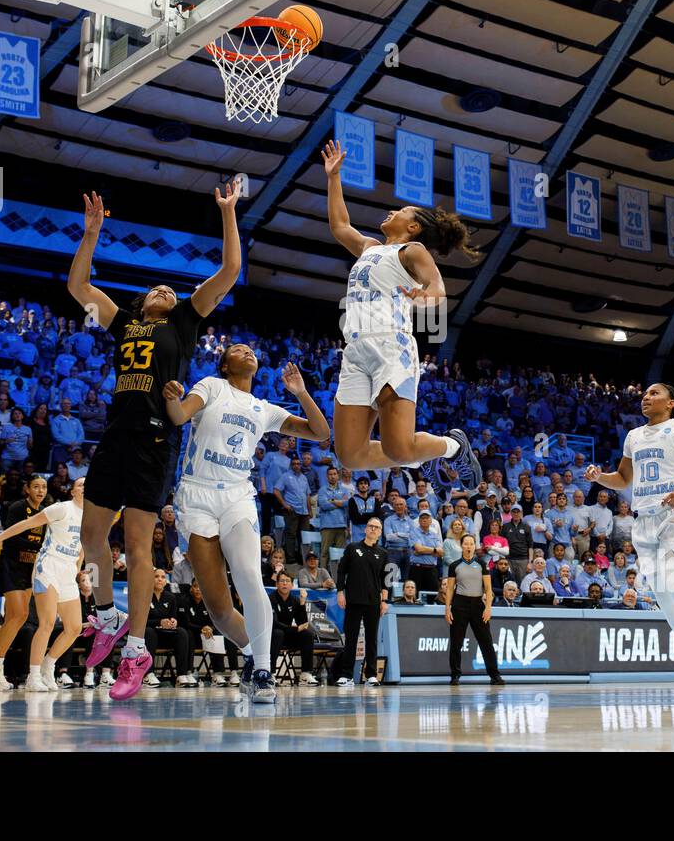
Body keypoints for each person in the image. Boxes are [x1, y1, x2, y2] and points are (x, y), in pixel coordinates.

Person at [70, 183, 242, 701]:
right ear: (143, 303)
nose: (167, 291)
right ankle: (106, 616)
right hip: (116, 434)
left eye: (172, 290)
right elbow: (79, 287)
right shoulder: (124, 323)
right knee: (92, 538)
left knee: (139, 546)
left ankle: (136, 649)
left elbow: (229, 272)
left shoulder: (187, 321)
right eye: (158, 289)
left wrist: (228, 213)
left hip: (154, 440)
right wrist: (92, 234)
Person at [163, 345, 330, 704]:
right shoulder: (210, 386)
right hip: (196, 497)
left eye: (249, 349)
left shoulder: (263, 409)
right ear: (225, 365)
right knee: (220, 609)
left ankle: (264, 672)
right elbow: (178, 417)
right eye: (236, 350)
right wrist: (174, 399)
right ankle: (253, 658)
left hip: (238, 496)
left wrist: (301, 393)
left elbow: (320, 432)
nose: (245, 350)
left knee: (250, 577)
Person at [320, 139, 481, 488]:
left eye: (401, 211)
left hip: (391, 348)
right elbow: (339, 226)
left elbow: (437, 287)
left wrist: (424, 298)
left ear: (413, 227)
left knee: (400, 448)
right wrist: (334, 178)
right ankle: (423, 455)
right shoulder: (370, 247)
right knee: (350, 455)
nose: (391, 212)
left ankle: (453, 447)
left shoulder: (413, 250)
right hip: (356, 350)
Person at [585, 382, 674, 697]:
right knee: (662, 594)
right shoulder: (633, 436)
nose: (646, 397)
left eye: (654, 393)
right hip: (643, 522)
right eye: (644, 394)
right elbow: (623, 479)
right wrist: (599, 477)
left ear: (671, 402)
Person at [0, 477, 86, 692]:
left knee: (74, 628)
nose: (86, 487)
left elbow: (83, 546)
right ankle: (33, 676)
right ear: (72, 491)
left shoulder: (92, 517)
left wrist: (77, 568)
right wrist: (2, 536)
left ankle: (48, 665)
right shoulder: (61, 509)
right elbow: (28, 523)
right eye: (81, 484)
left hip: (68, 571)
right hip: (49, 566)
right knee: (46, 623)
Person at [0, 476, 49, 691]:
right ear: (27, 489)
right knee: (18, 615)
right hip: (12, 565)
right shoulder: (18, 507)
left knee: (19, 617)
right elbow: (12, 536)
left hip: (30, 568)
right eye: (36, 486)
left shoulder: (45, 512)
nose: (40, 490)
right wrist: (40, 549)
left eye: (44, 487)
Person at [332, 517, 390, 686]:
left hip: (373, 602)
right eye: (371, 526)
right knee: (351, 638)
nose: (373, 529)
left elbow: (385, 580)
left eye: (377, 527)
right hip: (353, 599)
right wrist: (340, 592)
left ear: (380, 533)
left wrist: (384, 600)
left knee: (371, 639)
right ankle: (346, 675)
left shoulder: (383, 553)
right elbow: (341, 571)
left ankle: (371, 675)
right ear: (365, 529)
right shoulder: (352, 548)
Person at [443, 534, 503, 684]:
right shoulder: (454, 565)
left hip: (478, 604)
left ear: (474, 546)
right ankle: (455, 675)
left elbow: (488, 589)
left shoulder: (482, 564)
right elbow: (450, 589)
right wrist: (447, 608)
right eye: (466, 544)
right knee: (456, 642)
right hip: (459, 604)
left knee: (486, 642)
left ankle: (494, 675)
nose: (468, 546)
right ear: (461, 546)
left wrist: (488, 608)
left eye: (471, 544)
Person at [269, 572, 319, 686]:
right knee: (278, 633)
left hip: (288, 636)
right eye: (282, 581)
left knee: (307, 634)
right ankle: (270, 674)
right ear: (277, 584)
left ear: (292, 585)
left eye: (287, 581)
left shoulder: (294, 600)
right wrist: (294, 629)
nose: (285, 584)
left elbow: (303, 624)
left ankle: (305, 674)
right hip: (273, 636)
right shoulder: (271, 599)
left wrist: (302, 603)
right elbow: (274, 623)